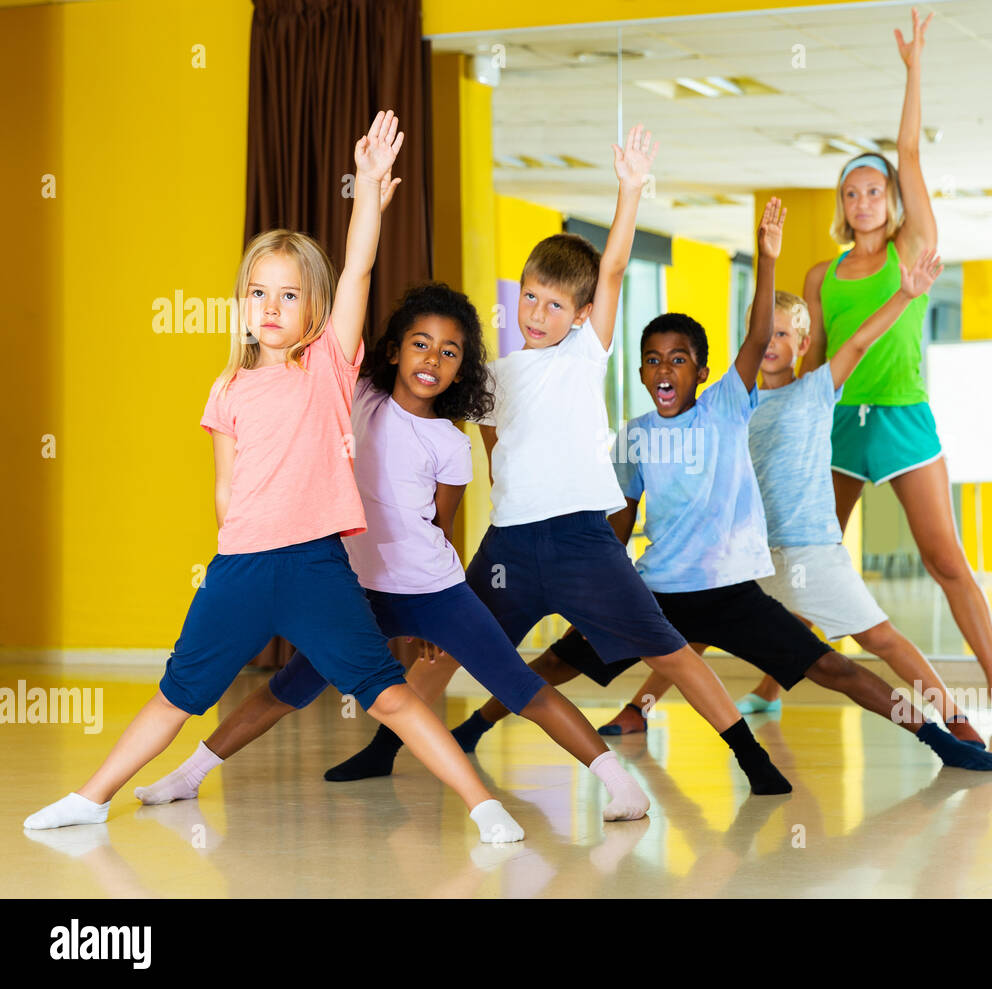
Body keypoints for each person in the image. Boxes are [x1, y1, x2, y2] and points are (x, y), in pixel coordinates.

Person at [25, 112, 524, 842]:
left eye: (289, 295)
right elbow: (224, 488)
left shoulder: (325, 368)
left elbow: (357, 269)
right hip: (237, 571)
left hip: (316, 567)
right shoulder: (225, 387)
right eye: (259, 293)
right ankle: (92, 795)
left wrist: (370, 196)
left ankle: (483, 805)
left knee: (384, 694)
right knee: (179, 693)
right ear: (242, 301)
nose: (271, 307)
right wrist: (232, 557)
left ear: (313, 308)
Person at [453, 199, 992, 772]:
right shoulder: (633, 436)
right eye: (654, 361)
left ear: (703, 373)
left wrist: (766, 259)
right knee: (558, 662)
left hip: (730, 590)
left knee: (833, 667)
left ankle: (939, 740)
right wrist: (593, 573)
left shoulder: (726, 409)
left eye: (679, 360)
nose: (665, 371)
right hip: (656, 589)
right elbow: (620, 517)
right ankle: (471, 726)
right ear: (639, 372)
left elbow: (762, 333)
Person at [133, 282, 652, 822]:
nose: (433, 359)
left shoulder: (451, 443)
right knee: (289, 689)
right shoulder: (356, 399)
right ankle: (188, 775)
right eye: (420, 344)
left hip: (435, 592)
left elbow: (443, 528)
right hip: (353, 592)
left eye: (450, 353)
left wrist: (435, 618)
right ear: (394, 350)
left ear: (460, 370)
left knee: (519, 685)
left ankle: (621, 785)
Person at [451, 127, 791, 795]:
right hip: (512, 540)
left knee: (667, 648)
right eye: (529, 297)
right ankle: (390, 741)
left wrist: (630, 189)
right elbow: (495, 450)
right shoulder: (494, 375)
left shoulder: (585, 352)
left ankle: (753, 758)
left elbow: (611, 269)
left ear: (581, 316)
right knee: (451, 639)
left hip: (581, 537)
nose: (538, 312)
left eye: (555, 303)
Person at [599, 276, 989, 749]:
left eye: (785, 334)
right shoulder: (727, 402)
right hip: (746, 553)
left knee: (879, 637)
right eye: (767, 331)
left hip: (811, 551)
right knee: (693, 631)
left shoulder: (817, 389)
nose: (772, 342)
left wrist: (905, 295)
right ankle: (638, 709)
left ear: (804, 344)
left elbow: (862, 340)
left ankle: (953, 715)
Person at [799, 10, 992, 720]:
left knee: (946, 560)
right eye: (851, 192)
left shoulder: (909, 251)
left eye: (873, 189)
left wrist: (914, 69)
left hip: (903, 421)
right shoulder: (821, 274)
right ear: (842, 205)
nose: (862, 200)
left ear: (892, 201)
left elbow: (910, 152)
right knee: (811, 564)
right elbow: (810, 360)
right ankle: (775, 682)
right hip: (838, 425)